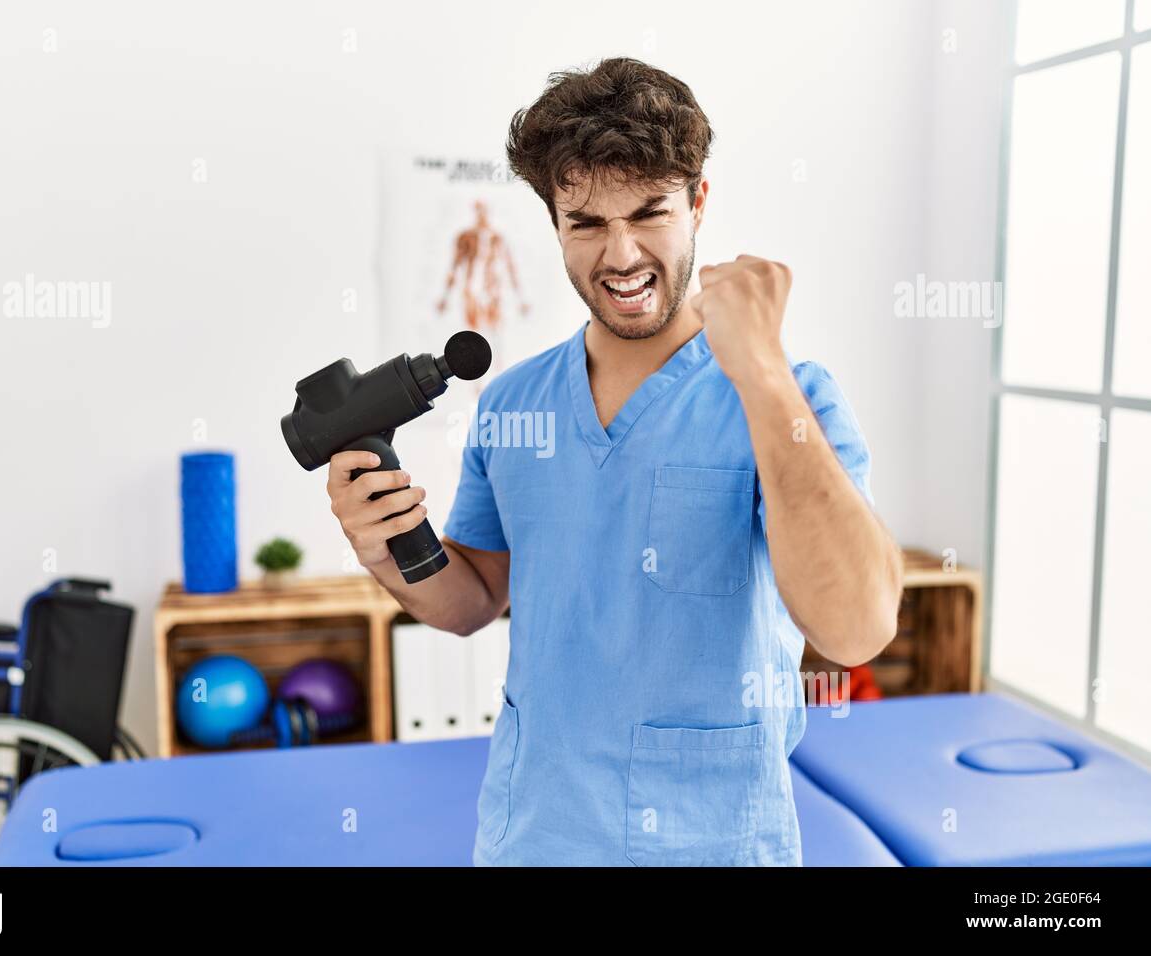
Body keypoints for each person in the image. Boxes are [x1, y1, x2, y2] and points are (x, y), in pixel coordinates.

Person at [323, 57, 903, 866]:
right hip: (534, 836)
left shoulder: (792, 398)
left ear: (699, 202)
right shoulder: (515, 404)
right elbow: (472, 601)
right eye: (585, 223)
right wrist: (386, 545)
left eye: (650, 212)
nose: (621, 254)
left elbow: (857, 629)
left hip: (716, 842)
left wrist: (760, 372)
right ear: (553, 221)